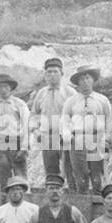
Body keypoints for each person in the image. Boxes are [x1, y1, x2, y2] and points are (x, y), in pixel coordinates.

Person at [62, 67, 112, 195]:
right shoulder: (71, 101)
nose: (85, 82)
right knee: (80, 174)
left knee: (97, 174)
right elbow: (65, 120)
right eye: (81, 79)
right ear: (78, 83)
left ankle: (98, 202)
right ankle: (82, 200)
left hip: (96, 138)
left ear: (93, 80)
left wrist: (106, 139)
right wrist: (68, 136)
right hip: (77, 139)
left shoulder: (102, 100)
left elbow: (108, 120)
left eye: (87, 78)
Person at [30, 58, 75, 189]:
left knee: (69, 169)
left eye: (55, 71)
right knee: (51, 171)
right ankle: (53, 197)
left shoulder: (70, 92)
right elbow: (34, 115)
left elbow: (77, 116)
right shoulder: (41, 93)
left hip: (65, 138)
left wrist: (68, 133)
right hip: (47, 137)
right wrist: (35, 131)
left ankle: (73, 195)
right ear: (45, 75)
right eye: (49, 72)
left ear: (62, 73)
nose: (52, 75)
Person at [0, 73, 31, 189]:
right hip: (0, 143)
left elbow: (26, 126)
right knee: (3, 173)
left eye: (5, 87)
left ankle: (24, 201)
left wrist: (24, 147)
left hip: (16, 142)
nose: (3, 90)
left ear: (11, 88)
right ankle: (5, 201)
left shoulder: (19, 104)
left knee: (20, 174)